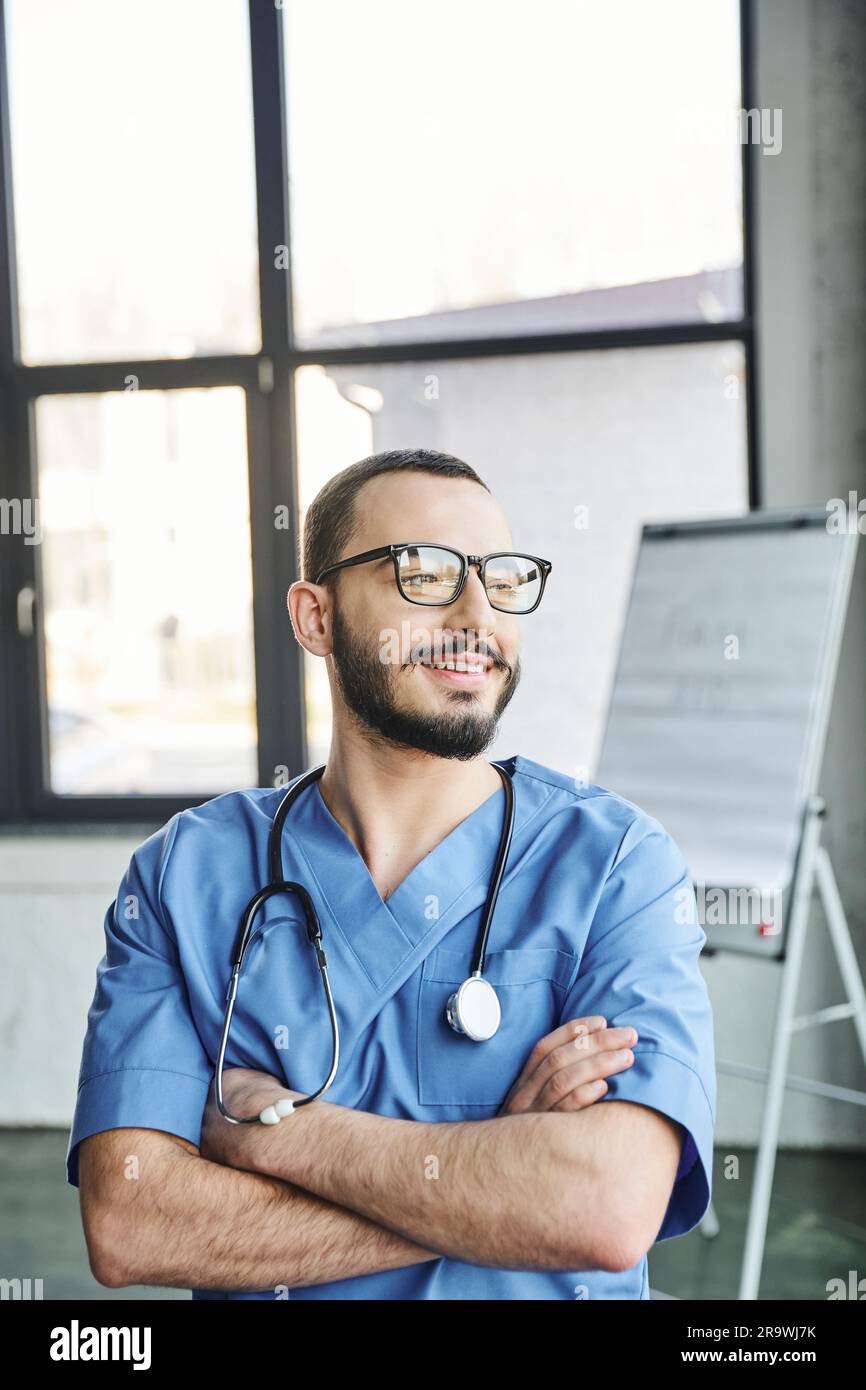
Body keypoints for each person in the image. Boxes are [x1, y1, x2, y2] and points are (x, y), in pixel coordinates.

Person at [67, 447, 716, 1300]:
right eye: (426, 572)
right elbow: (134, 1225)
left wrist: (278, 1137)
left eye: (503, 578)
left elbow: (605, 1207)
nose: (478, 614)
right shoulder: (184, 875)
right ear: (316, 617)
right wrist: (498, 1176)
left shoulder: (616, 864)